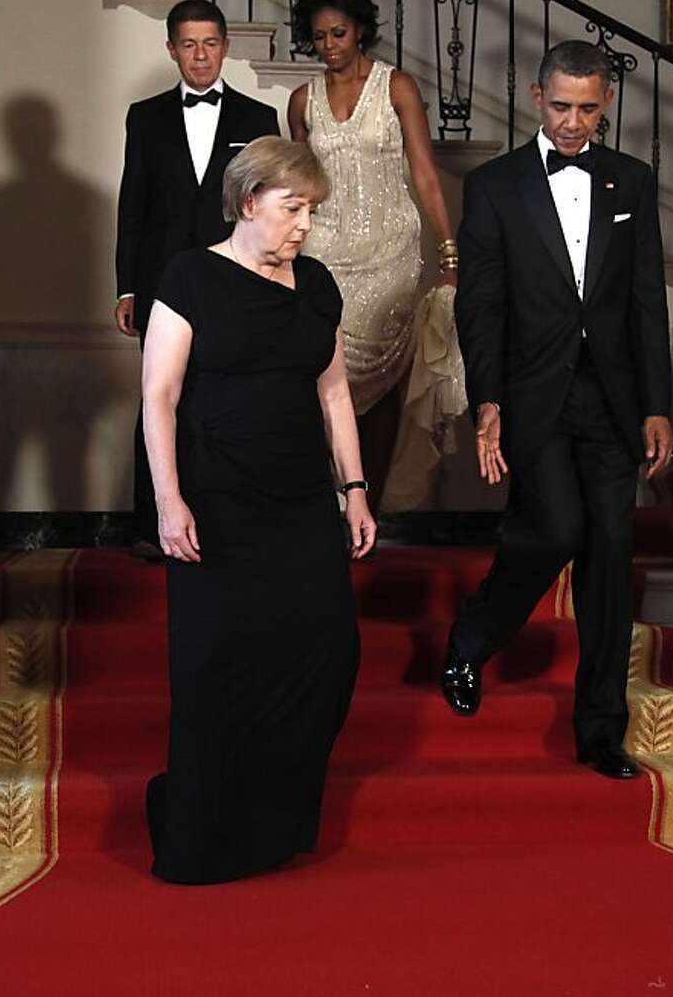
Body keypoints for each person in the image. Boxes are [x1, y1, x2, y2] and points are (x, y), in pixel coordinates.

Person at [142, 137, 376, 884]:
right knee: (220, 671)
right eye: (292, 208)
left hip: (303, 501)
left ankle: (273, 816)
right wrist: (169, 500)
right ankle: (203, 830)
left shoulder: (316, 286)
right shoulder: (191, 276)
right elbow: (159, 396)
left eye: (312, 210)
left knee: (329, 658)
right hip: (219, 502)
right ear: (248, 203)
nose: (305, 224)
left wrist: (356, 488)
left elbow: (333, 392)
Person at [441, 40, 673, 781]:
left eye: (588, 108)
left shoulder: (632, 182)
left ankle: (602, 730)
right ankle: (474, 635)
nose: (574, 123)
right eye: (562, 106)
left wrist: (656, 406)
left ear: (605, 105)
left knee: (609, 556)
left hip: (610, 398)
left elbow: (646, 303)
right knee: (556, 528)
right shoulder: (494, 185)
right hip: (533, 391)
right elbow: (480, 307)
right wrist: (488, 403)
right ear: (537, 97)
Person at [287, 0, 460, 514]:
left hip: (391, 255)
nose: (330, 45)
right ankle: (326, 509)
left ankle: (371, 509)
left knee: (382, 384)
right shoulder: (301, 101)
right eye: (319, 37)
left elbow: (426, 175)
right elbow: (299, 188)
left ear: (360, 29)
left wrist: (449, 253)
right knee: (318, 379)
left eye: (339, 33)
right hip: (322, 256)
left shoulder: (397, 86)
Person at [115, 0, 281, 552]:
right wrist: (127, 286)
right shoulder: (145, 116)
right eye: (189, 44)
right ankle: (149, 524)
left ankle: (231, 518)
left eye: (210, 43)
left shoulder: (259, 120)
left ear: (226, 47)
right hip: (161, 283)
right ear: (172, 50)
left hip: (233, 278)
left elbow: (269, 208)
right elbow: (131, 206)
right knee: (159, 397)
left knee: (233, 397)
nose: (201, 55)